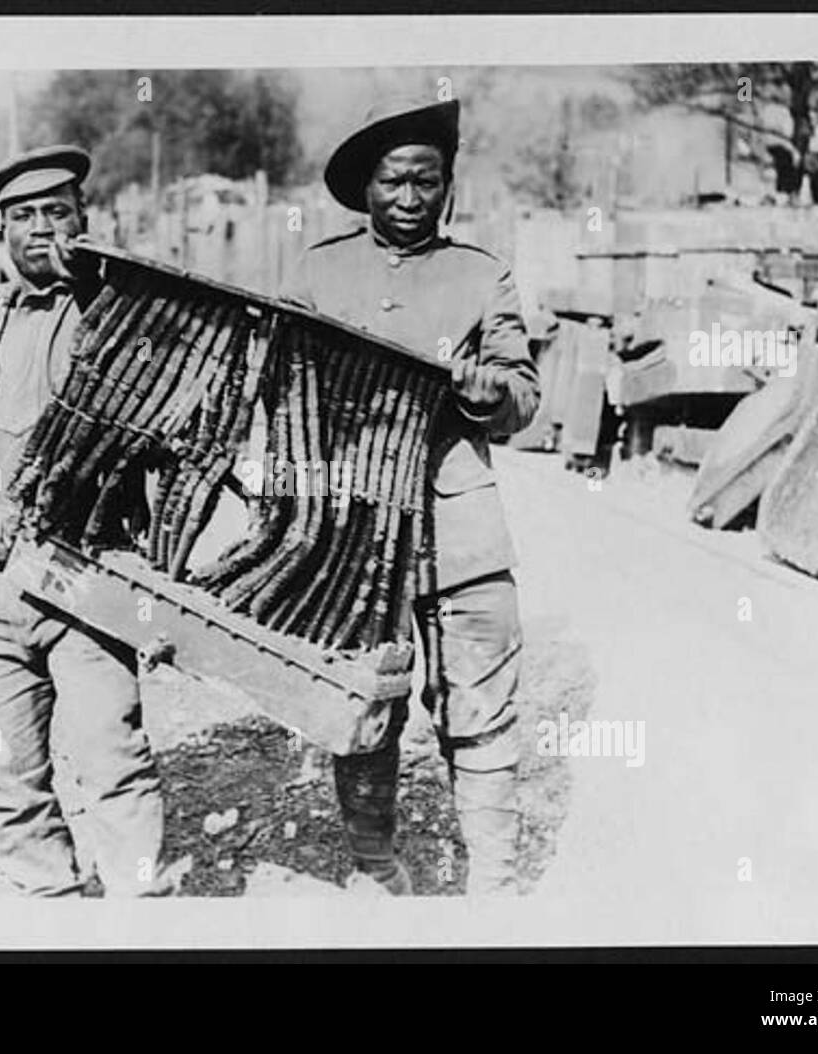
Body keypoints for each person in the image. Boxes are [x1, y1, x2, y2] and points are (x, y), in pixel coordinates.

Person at [280, 97, 541, 896]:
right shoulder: (317, 271)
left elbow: (524, 397)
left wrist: (485, 394)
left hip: (460, 527)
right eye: (394, 181)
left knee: (482, 706)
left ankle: (493, 888)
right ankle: (377, 872)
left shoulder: (482, 274)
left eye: (427, 181)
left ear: (447, 187)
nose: (409, 198)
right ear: (365, 187)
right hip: (351, 534)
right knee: (362, 703)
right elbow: (279, 384)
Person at [0, 145, 175, 897]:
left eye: (58, 211)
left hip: (88, 583)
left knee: (113, 762)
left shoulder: (121, 322)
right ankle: (48, 911)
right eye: (22, 216)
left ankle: (145, 922)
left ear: (84, 218)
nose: (42, 229)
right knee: (6, 775)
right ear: (0, 229)